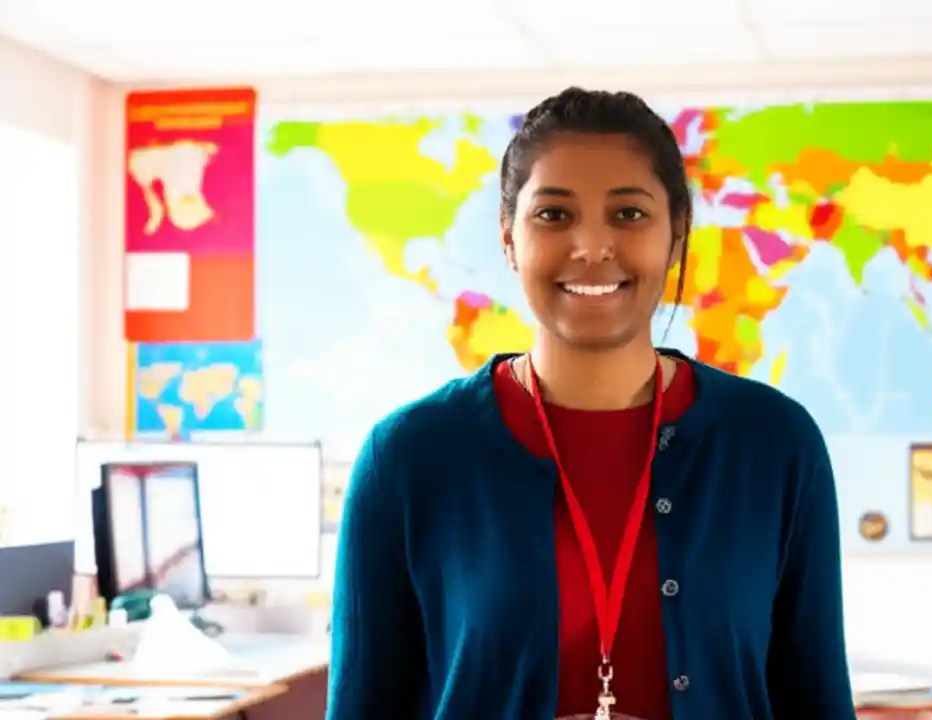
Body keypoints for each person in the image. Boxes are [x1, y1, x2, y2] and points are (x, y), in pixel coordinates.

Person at [327, 87, 856, 720]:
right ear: (508, 238)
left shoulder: (775, 444)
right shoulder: (408, 457)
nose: (591, 246)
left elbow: (818, 700)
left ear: (676, 236)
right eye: (554, 215)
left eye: (629, 214)